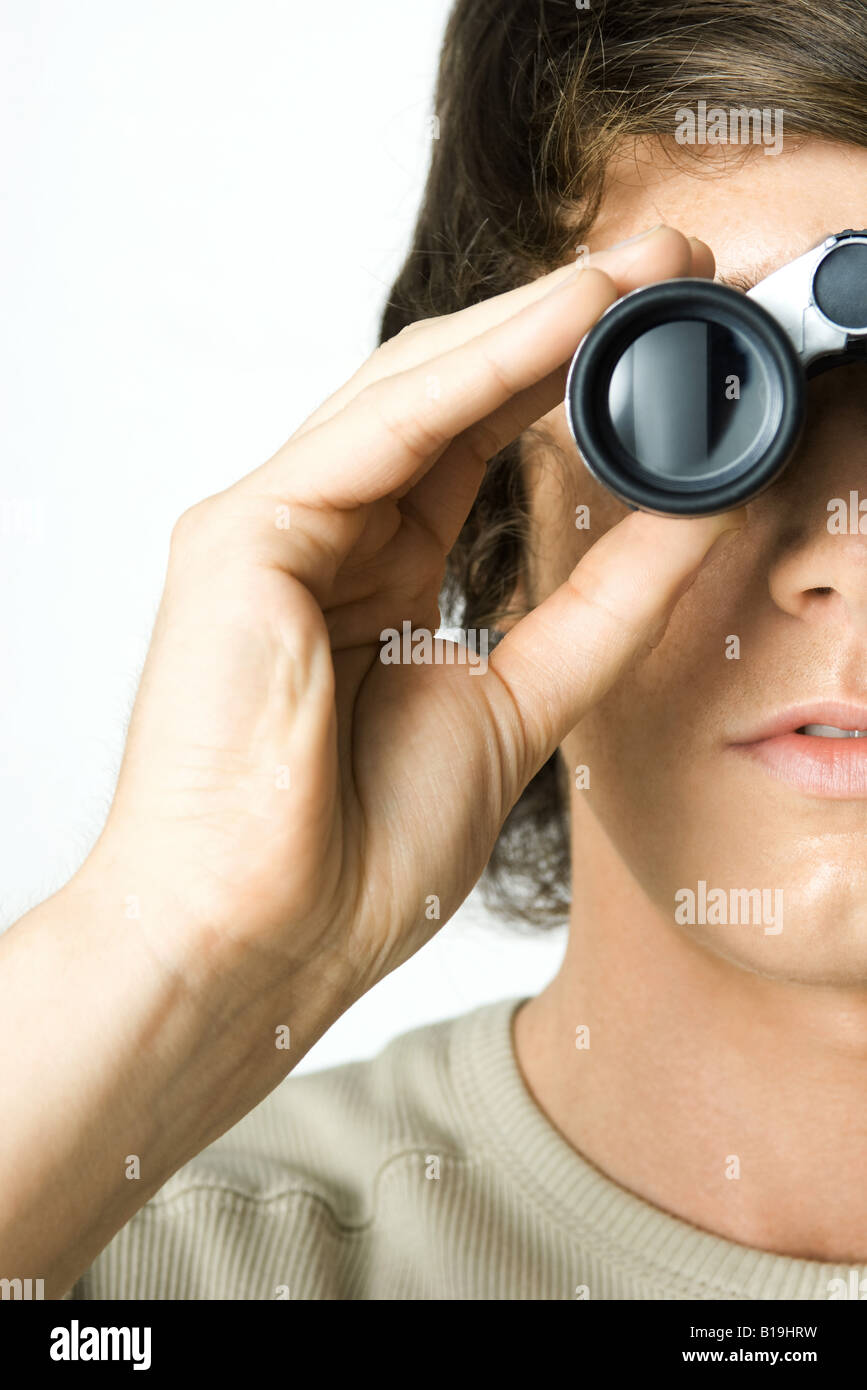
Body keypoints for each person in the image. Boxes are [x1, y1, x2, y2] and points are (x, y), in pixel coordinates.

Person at [4, 0, 867, 1301]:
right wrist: (181, 955)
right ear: (493, 513)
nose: (847, 557)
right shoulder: (115, 1256)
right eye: (706, 391)